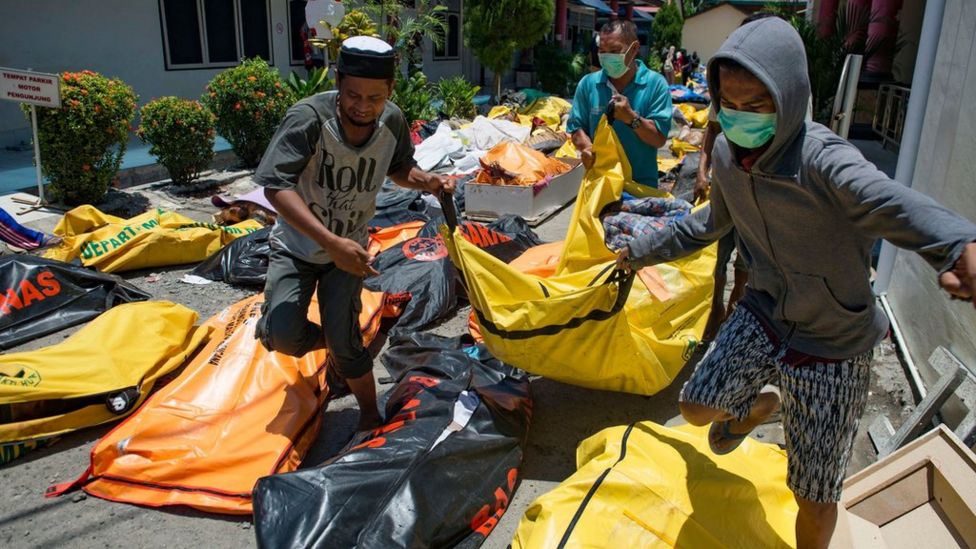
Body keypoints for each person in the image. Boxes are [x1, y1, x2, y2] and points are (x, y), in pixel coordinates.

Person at [616, 18, 976, 548]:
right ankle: (764, 405)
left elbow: (891, 203)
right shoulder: (725, 156)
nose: (739, 116)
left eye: (756, 104)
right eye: (728, 102)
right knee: (695, 408)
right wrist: (641, 249)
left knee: (813, 495)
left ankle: (780, 413)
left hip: (833, 341)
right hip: (765, 311)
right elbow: (708, 225)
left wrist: (959, 244)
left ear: (788, 98)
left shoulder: (824, 161)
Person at [254, 36, 454, 433]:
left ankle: (368, 412)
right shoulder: (308, 119)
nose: (363, 106)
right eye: (353, 95)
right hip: (296, 247)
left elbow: (399, 168)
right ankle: (334, 345)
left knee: (345, 339)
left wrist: (428, 181)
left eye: (375, 98)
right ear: (337, 82)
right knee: (283, 335)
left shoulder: (392, 120)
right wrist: (331, 243)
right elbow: (275, 187)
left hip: (349, 252)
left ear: (390, 90)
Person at [568, 20, 672, 189]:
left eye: (615, 51)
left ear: (634, 48)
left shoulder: (656, 84)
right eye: (602, 52)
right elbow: (576, 127)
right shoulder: (588, 84)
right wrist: (586, 147)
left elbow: (658, 139)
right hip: (599, 185)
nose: (608, 57)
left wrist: (632, 118)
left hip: (640, 187)